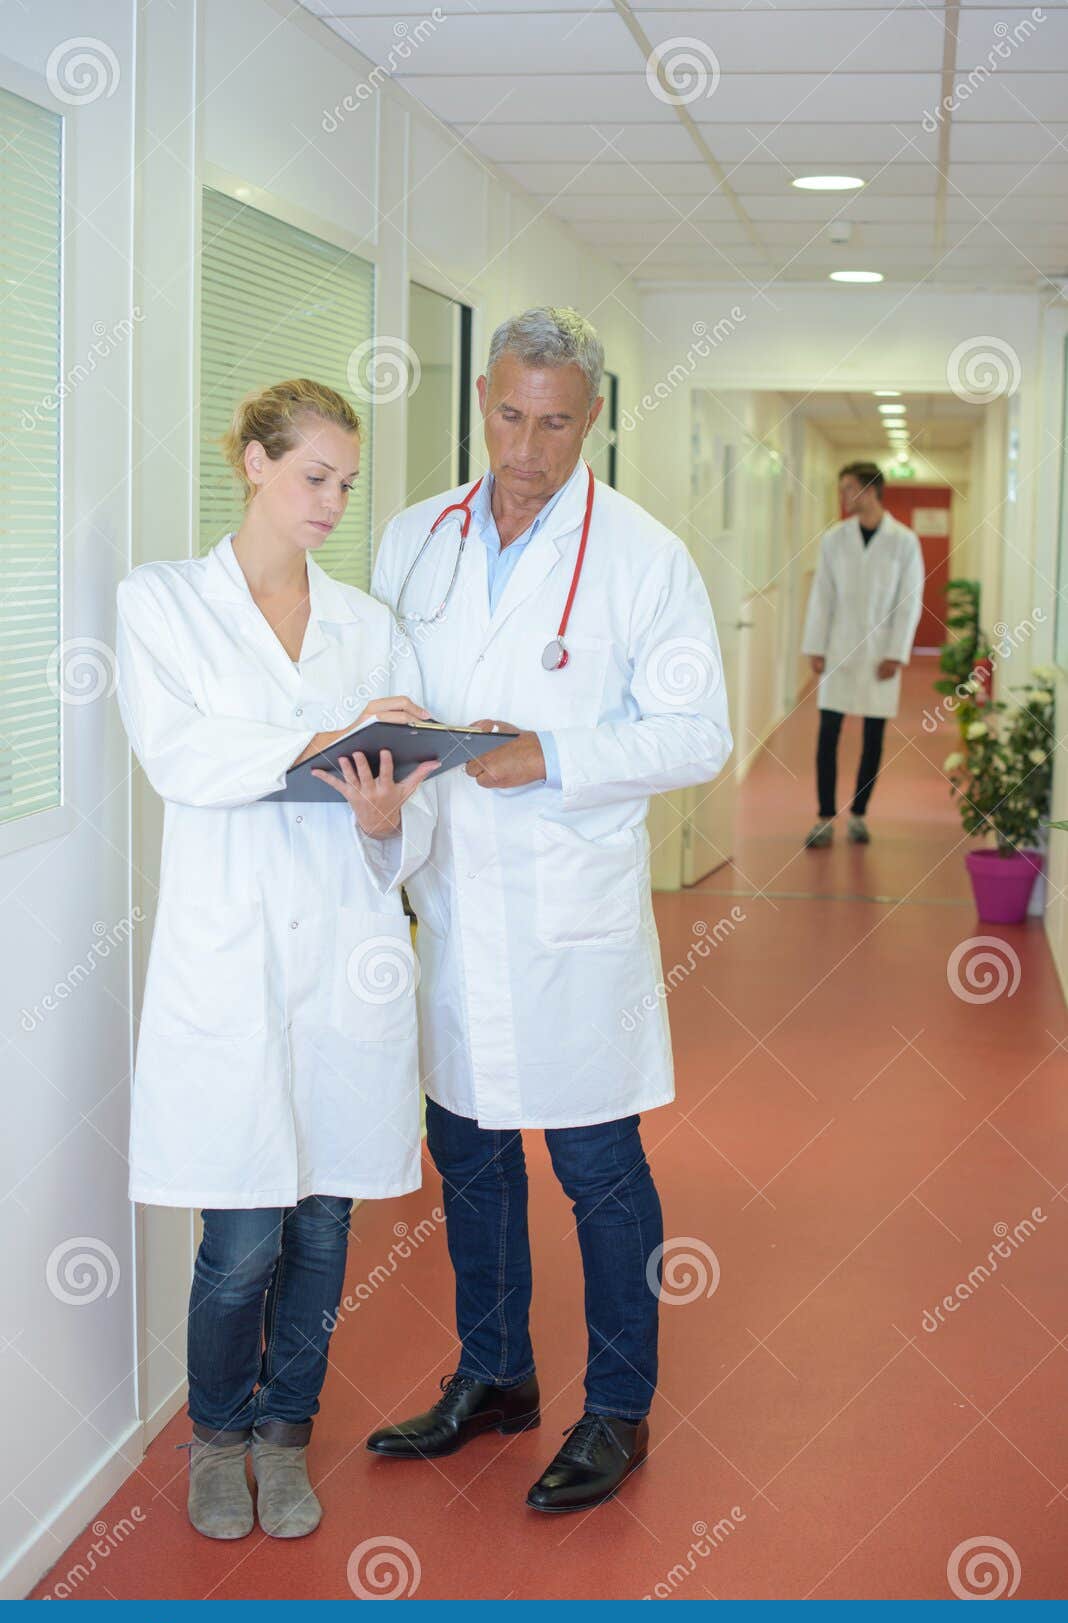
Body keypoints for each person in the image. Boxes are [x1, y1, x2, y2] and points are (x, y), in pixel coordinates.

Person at [362, 306, 733, 1512]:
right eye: (511, 416)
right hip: (450, 904)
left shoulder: (642, 555)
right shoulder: (416, 537)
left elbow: (697, 733)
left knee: (599, 1167)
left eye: (557, 422)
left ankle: (618, 1407)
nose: (528, 449)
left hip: (571, 917)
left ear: (596, 415)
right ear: (481, 398)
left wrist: (555, 756)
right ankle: (497, 1376)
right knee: (467, 1155)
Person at [115, 379, 437, 1542]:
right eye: (315, 476)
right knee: (241, 1241)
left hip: (346, 958)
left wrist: (383, 808)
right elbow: (183, 755)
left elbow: (407, 822)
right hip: (232, 965)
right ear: (252, 462)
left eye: (347, 483)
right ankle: (216, 1439)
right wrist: (327, 742)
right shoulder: (163, 603)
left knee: (323, 1231)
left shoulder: (371, 626)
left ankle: (286, 1437)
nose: (334, 501)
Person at [800, 461, 924, 848]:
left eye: (847, 488)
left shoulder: (904, 542)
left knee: (874, 738)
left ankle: (858, 815)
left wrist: (896, 653)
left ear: (869, 491)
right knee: (828, 734)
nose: (842, 497)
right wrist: (816, 647)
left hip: (880, 656)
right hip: (839, 649)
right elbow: (823, 596)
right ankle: (823, 816)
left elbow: (910, 602)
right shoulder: (834, 539)